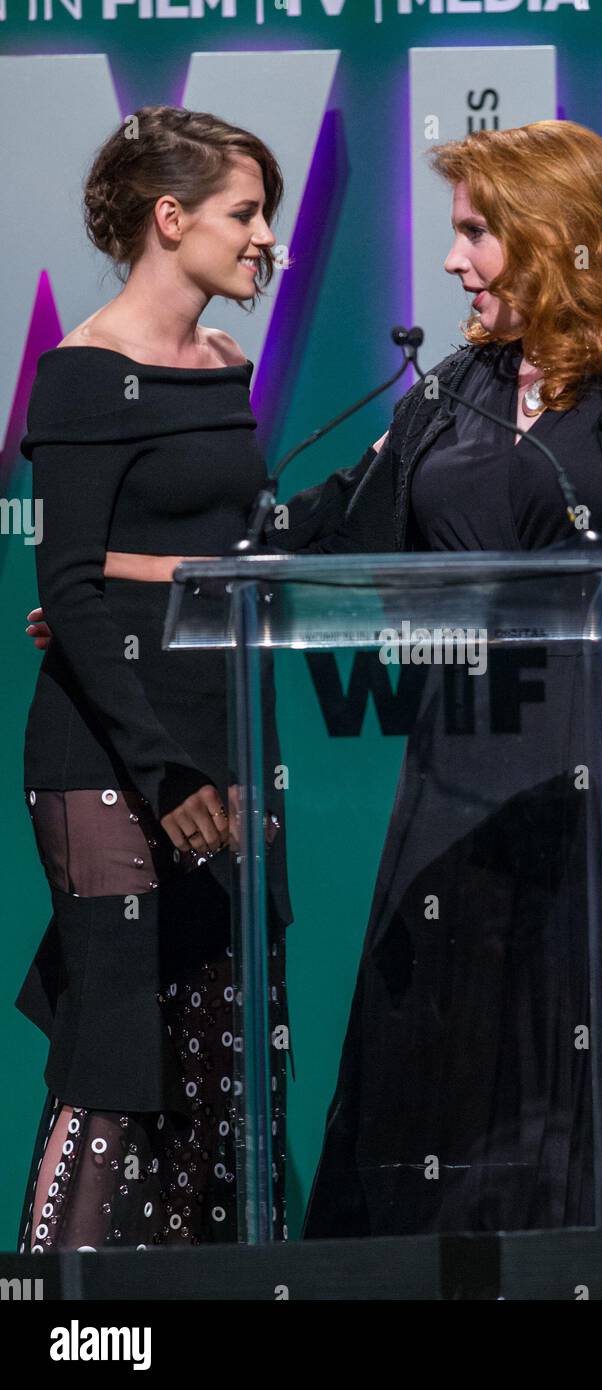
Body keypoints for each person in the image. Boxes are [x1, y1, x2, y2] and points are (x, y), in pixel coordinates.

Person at [25, 119, 602, 1238]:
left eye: (476, 234)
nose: (453, 259)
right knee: (438, 1058)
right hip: (467, 769)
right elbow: (322, 530)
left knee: (593, 1065)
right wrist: (139, 597)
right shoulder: (454, 389)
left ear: (553, 236)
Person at [16, 105, 293, 1251]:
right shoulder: (82, 371)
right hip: (114, 759)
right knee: (121, 1062)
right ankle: (52, 1324)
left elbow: (243, 543)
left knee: (214, 1069)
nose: (265, 235)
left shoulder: (225, 363)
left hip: (218, 742)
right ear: (169, 220)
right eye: (244, 212)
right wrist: (166, 767)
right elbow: (72, 591)